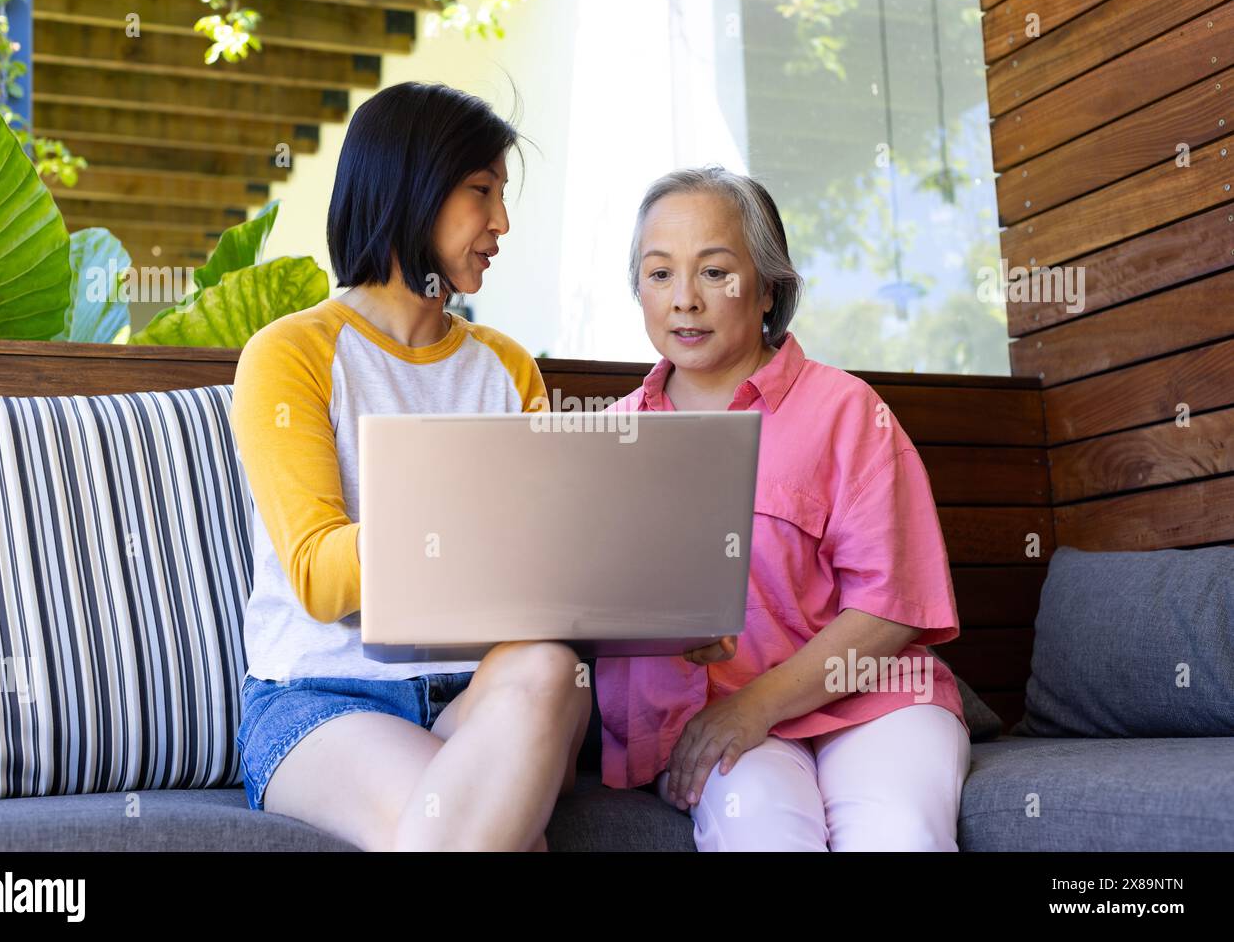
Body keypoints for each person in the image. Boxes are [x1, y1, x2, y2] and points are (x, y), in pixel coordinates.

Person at [230, 82, 591, 852]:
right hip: (324, 698)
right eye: (479, 191)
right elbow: (323, 578)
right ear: (410, 186)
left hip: (483, 695)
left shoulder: (506, 368)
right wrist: (473, 513)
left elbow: (545, 570)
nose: (501, 222)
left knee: (554, 668)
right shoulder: (291, 355)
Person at [596, 166, 972, 851]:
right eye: (659, 275)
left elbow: (891, 604)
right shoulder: (612, 435)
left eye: (714, 272)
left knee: (899, 837)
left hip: (872, 706)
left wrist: (757, 704)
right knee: (762, 834)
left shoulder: (846, 408)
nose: (684, 299)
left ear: (768, 286)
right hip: (711, 722)